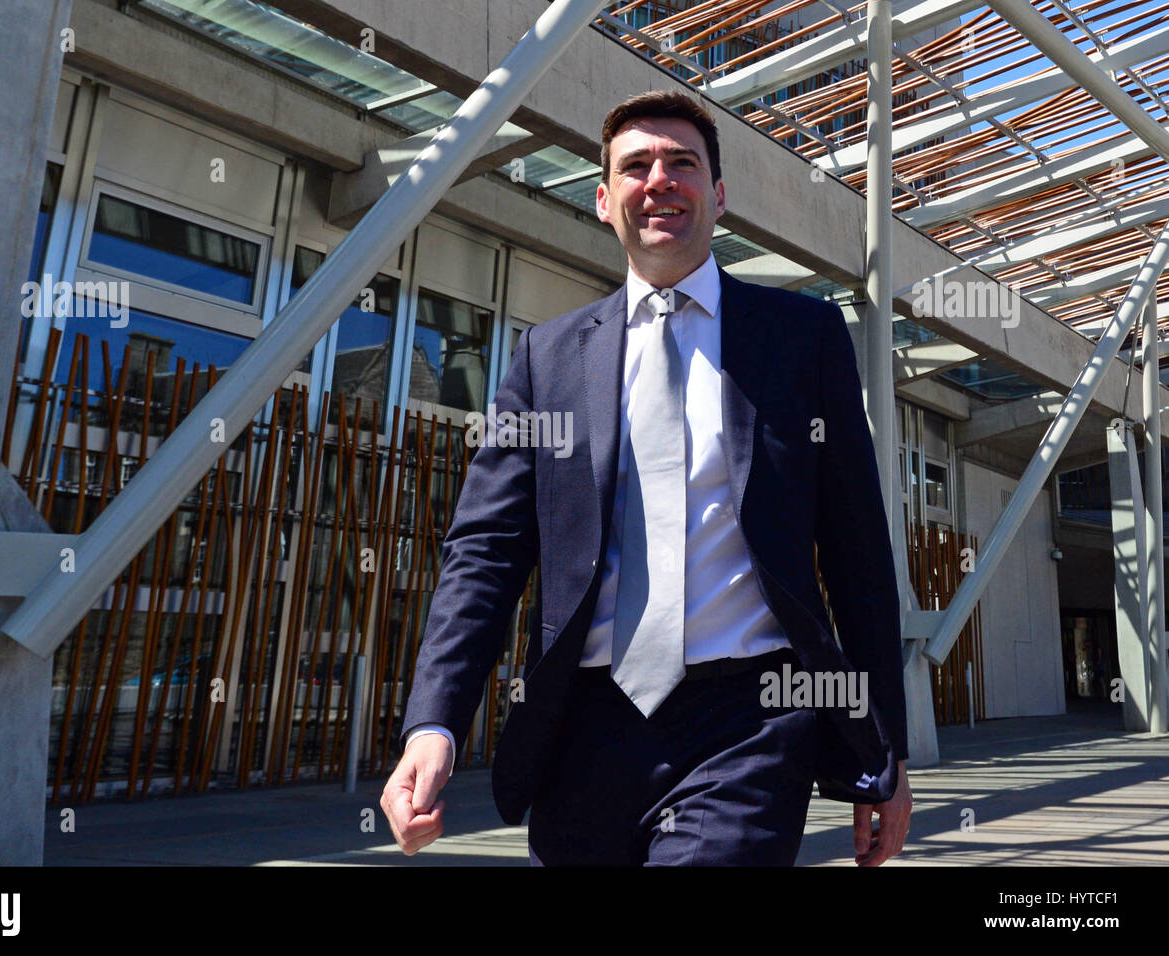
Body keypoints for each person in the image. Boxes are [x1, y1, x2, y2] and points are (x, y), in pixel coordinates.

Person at [380, 90, 912, 865]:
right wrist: (434, 723)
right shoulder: (546, 359)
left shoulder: (803, 339)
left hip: (752, 719)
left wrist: (884, 754)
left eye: (682, 163)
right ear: (603, 201)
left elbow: (860, 558)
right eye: (636, 166)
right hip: (583, 722)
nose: (659, 179)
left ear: (719, 196)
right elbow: (486, 553)